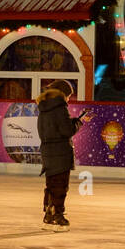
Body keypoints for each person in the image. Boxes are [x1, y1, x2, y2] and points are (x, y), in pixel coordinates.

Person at [37, 79, 84, 231]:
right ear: (62, 94)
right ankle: (58, 215)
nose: (69, 99)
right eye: (69, 96)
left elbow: (53, 128)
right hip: (60, 152)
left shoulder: (44, 108)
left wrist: (75, 121)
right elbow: (66, 130)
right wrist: (78, 123)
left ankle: (49, 214)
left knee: (52, 184)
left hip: (48, 151)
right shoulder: (59, 107)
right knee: (60, 185)